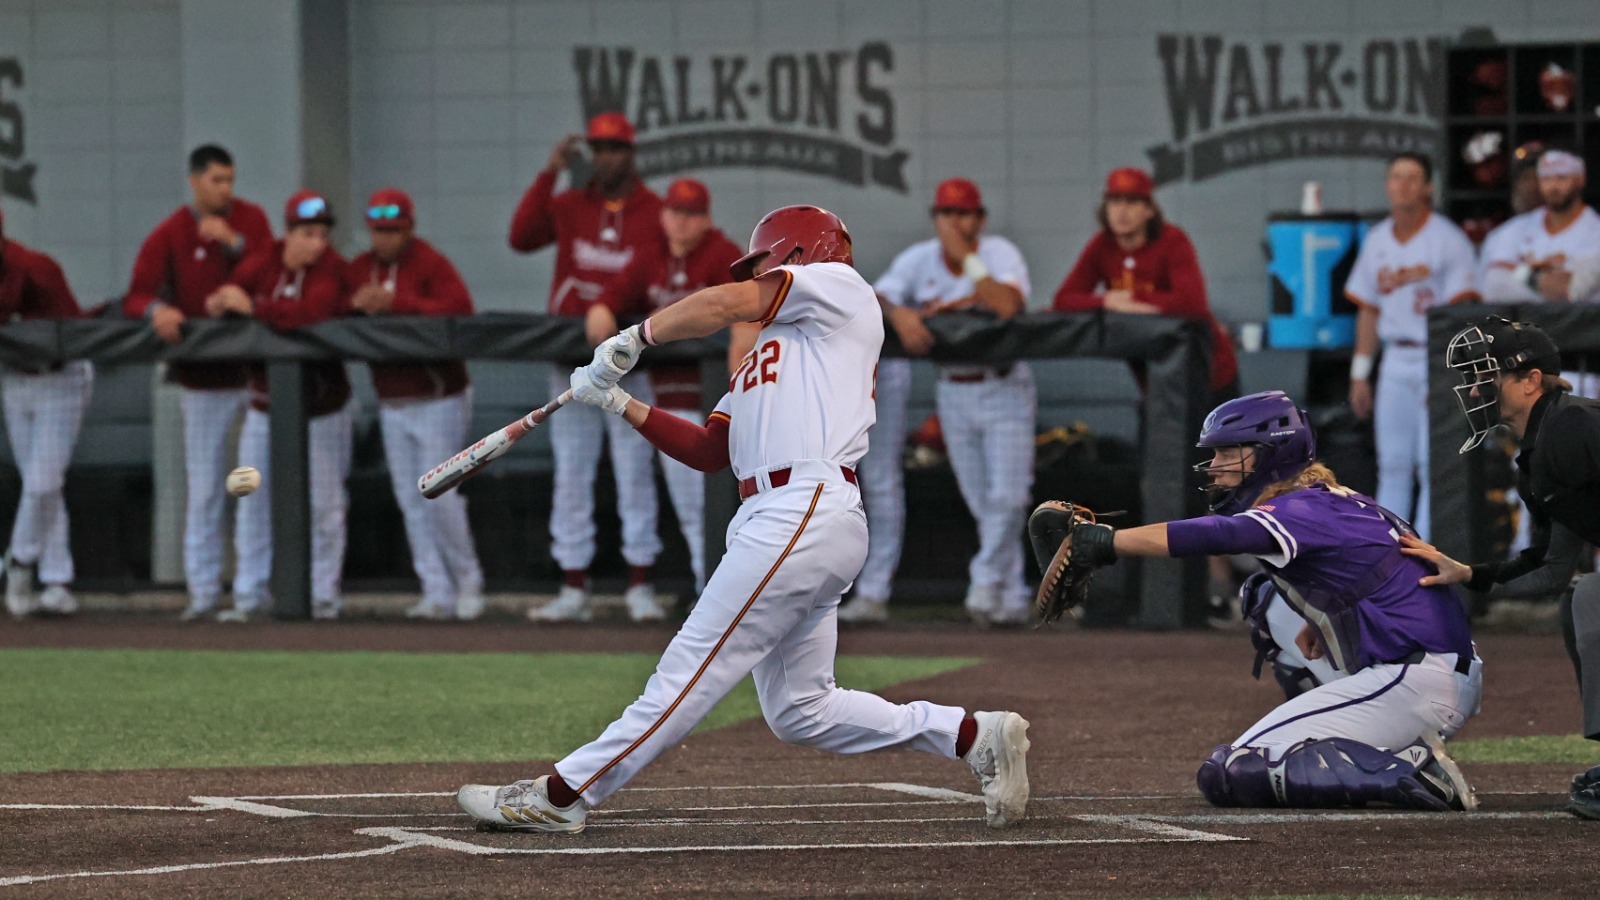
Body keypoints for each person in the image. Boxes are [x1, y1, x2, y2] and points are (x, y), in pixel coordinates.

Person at [456, 205, 1032, 833]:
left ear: (799, 252)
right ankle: (973, 735)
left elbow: (725, 303)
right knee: (802, 709)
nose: (756, 276)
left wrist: (636, 337)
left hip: (802, 505)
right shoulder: (771, 354)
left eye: (763, 262)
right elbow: (710, 451)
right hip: (785, 515)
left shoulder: (841, 287)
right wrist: (620, 402)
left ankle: (564, 794)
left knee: (690, 667)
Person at [1037, 390, 1481, 811]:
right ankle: (1345, 733)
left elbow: (1222, 535)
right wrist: (1331, 617)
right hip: (1422, 664)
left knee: (1230, 771)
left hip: (1416, 678)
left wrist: (1108, 542)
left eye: (1230, 453)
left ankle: (1409, 770)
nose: (1216, 465)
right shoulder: (1326, 500)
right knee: (1266, 599)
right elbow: (1374, 575)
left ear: (1273, 452)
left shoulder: (1304, 508)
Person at [1406, 317, 1600, 820]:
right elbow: (1553, 567)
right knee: (1578, 597)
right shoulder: (1542, 450)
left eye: (1485, 377)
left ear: (1531, 380)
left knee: (1593, 598)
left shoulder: (1575, 424)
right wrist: (1471, 575)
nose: (1473, 389)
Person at [844, 178, 1034, 626]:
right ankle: (1014, 593)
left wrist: (968, 257)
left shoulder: (999, 253)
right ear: (935, 218)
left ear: (979, 219)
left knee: (1008, 497)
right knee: (981, 502)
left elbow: (1008, 306)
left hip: (1003, 386)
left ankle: (986, 579)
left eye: (964, 213)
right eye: (947, 213)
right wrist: (901, 313)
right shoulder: (919, 260)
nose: (955, 222)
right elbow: (877, 292)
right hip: (953, 388)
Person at [1053, 166, 1241, 615]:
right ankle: (1171, 592)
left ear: (1148, 208)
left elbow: (1192, 305)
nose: (1122, 211)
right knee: (1159, 484)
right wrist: (1107, 300)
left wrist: (1137, 304)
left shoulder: (1172, 242)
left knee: (1216, 486)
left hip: (1208, 381)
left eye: (1132, 202)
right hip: (1157, 390)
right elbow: (1065, 299)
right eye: (1115, 202)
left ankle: (1223, 587)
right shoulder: (1103, 247)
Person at [510, 111, 664, 622]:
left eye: (615, 148)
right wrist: (549, 171)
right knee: (572, 476)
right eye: (598, 149)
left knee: (634, 474)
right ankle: (573, 585)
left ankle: (639, 584)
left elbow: (648, 279)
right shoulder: (572, 204)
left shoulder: (654, 211)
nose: (605, 158)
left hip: (629, 360)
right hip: (572, 361)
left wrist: (611, 303)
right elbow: (521, 235)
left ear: (631, 152)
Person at [124, 144, 274, 621]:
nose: (224, 189)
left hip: (253, 377)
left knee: (251, 486)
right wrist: (158, 310)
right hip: (202, 381)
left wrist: (233, 244)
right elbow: (137, 292)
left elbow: (272, 269)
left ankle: (251, 592)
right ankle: (203, 592)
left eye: (229, 179)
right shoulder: (172, 231)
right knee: (205, 488)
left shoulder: (249, 221)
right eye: (215, 180)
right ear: (194, 181)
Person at [587, 178, 743, 598]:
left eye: (692, 214)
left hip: (713, 401)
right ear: (663, 214)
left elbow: (743, 311)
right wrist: (602, 311)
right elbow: (609, 298)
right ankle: (702, 594)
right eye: (675, 212)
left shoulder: (722, 254)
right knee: (667, 502)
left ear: (706, 218)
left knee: (705, 511)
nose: (682, 222)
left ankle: (716, 596)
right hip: (662, 399)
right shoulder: (651, 256)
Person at [205, 191, 351, 622]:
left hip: (323, 410)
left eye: (323, 234)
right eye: (307, 234)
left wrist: (253, 307)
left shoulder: (332, 268)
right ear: (288, 233)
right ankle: (249, 595)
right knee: (250, 498)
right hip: (264, 409)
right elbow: (230, 292)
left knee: (326, 505)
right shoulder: (265, 258)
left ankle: (324, 594)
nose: (317, 243)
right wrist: (223, 299)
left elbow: (311, 312)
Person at [345, 188, 484, 621]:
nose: (385, 237)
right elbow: (332, 303)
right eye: (378, 230)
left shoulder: (429, 262)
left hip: (439, 397)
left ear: (409, 228)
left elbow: (460, 310)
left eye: (393, 229)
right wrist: (353, 305)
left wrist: (396, 304)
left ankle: (468, 581)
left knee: (441, 496)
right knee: (410, 498)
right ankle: (436, 589)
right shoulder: (359, 269)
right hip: (392, 400)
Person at [1344, 152, 1479, 542]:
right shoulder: (1377, 239)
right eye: (1395, 177)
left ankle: (1428, 550)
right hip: (1395, 357)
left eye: (1412, 177)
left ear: (1428, 187)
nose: (1402, 185)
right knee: (1393, 463)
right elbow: (1368, 310)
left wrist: (1447, 371)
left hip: (1435, 357)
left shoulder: (1447, 239)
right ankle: (1389, 549)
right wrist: (1360, 374)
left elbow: (1462, 313)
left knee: (1430, 462)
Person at [0, 207, 93, 618]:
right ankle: (57, 581)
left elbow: (70, 337)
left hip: (60, 379)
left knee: (42, 481)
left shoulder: (34, 268)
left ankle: (17, 567)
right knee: (40, 487)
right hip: (14, 381)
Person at [1478, 150, 1600, 306]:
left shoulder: (1595, 231)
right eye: (1547, 179)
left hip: (1581, 328)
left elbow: (1571, 290)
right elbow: (1493, 285)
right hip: (1525, 327)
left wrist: (1519, 273)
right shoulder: (1515, 229)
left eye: (1562, 178)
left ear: (1580, 180)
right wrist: (1541, 280)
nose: (1553, 186)